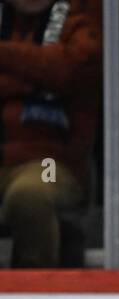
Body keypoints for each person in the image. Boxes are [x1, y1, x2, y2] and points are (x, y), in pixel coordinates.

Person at [0, 0, 101, 268]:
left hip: (52, 162)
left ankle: (36, 293)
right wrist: (36, 75)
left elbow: (67, 70)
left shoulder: (79, 21)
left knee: (30, 193)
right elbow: (52, 70)